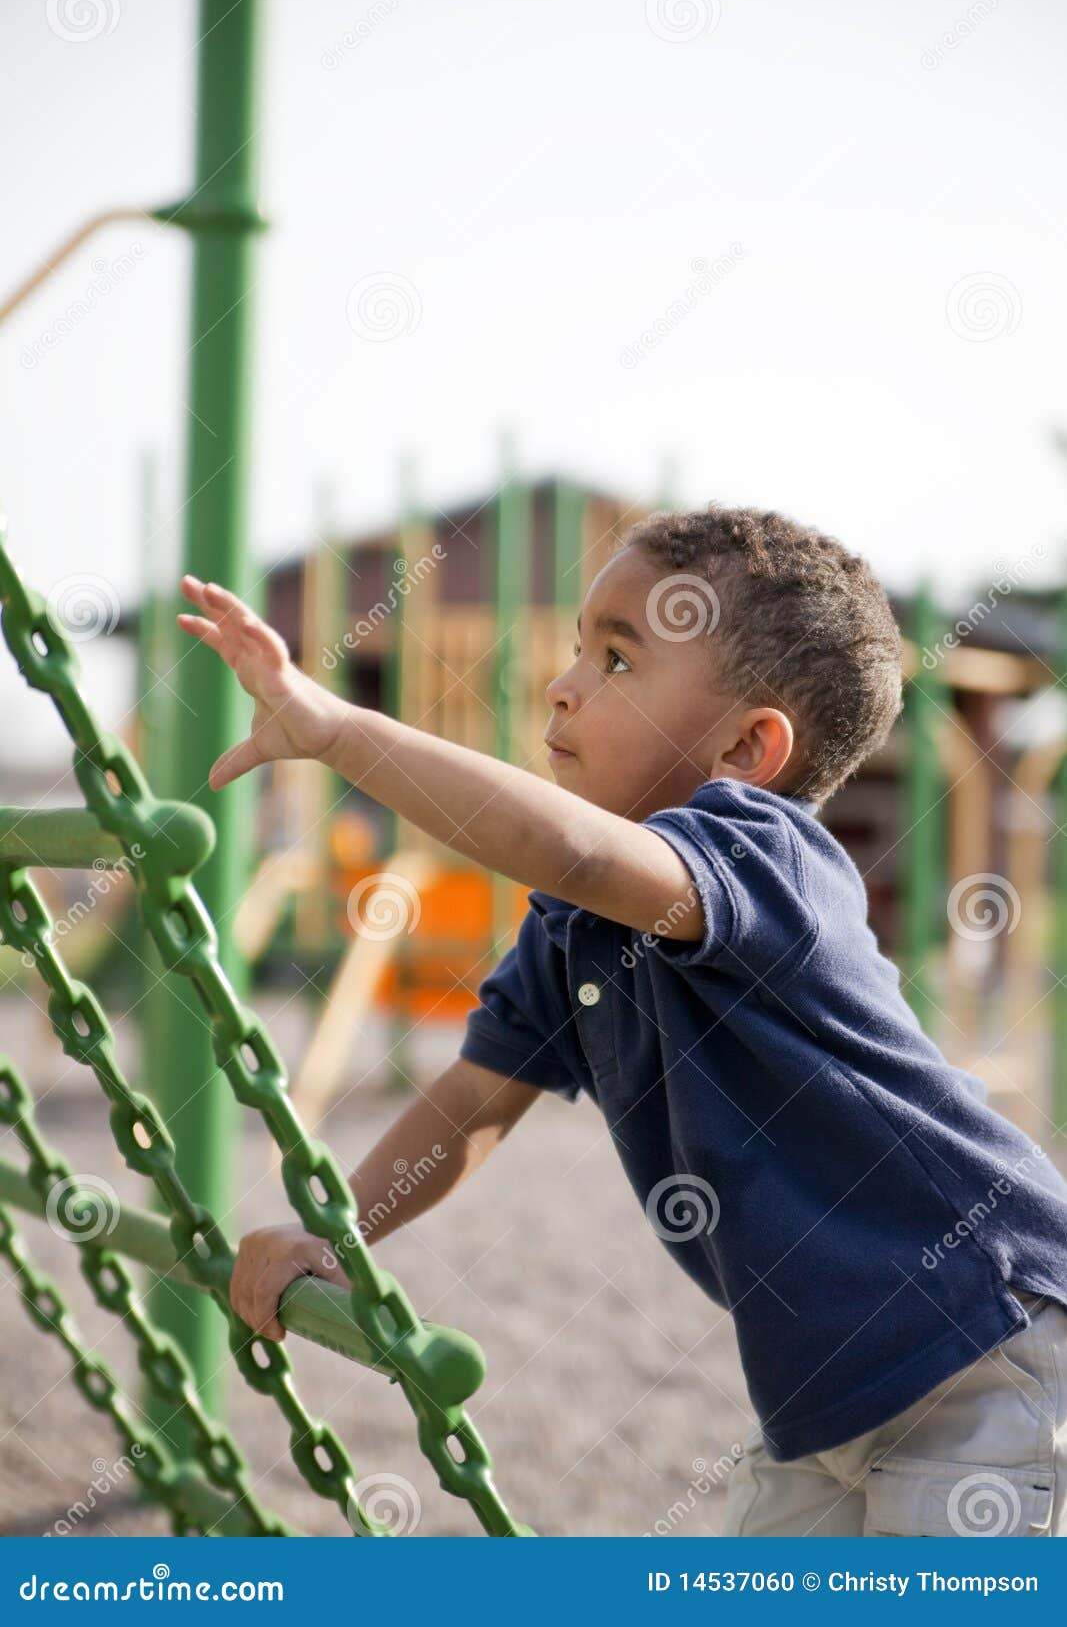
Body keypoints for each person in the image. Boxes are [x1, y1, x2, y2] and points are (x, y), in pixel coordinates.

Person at [178, 503, 1067, 1537]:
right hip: (823, 1387)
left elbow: (576, 851)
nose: (561, 684)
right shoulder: (571, 926)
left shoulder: (759, 854)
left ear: (746, 744)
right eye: (575, 649)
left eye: (615, 660)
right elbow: (475, 1093)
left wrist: (340, 731)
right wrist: (334, 1231)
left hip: (984, 1334)